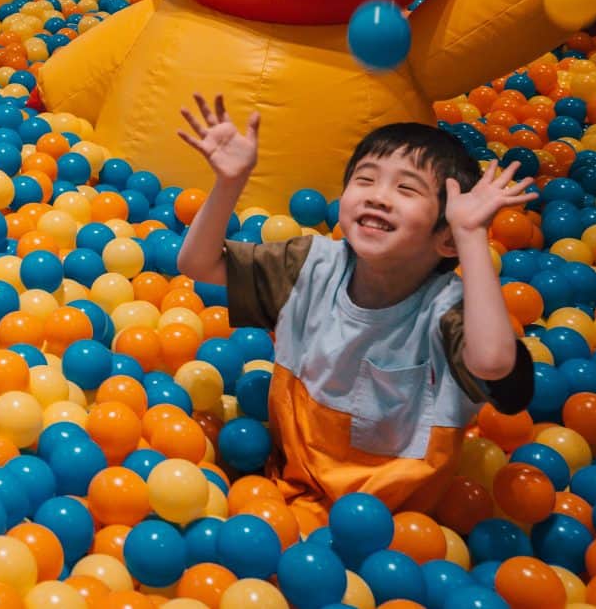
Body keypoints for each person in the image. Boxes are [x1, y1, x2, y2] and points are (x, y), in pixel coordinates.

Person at [174, 96, 535, 518]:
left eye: (406, 189)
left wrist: (472, 235)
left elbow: (493, 364)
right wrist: (230, 183)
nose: (379, 197)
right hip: (287, 492)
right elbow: (197, 263)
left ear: (447, 237)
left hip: (396, 527)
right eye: (365, 180)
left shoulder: (447, 313)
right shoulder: (310, 267)